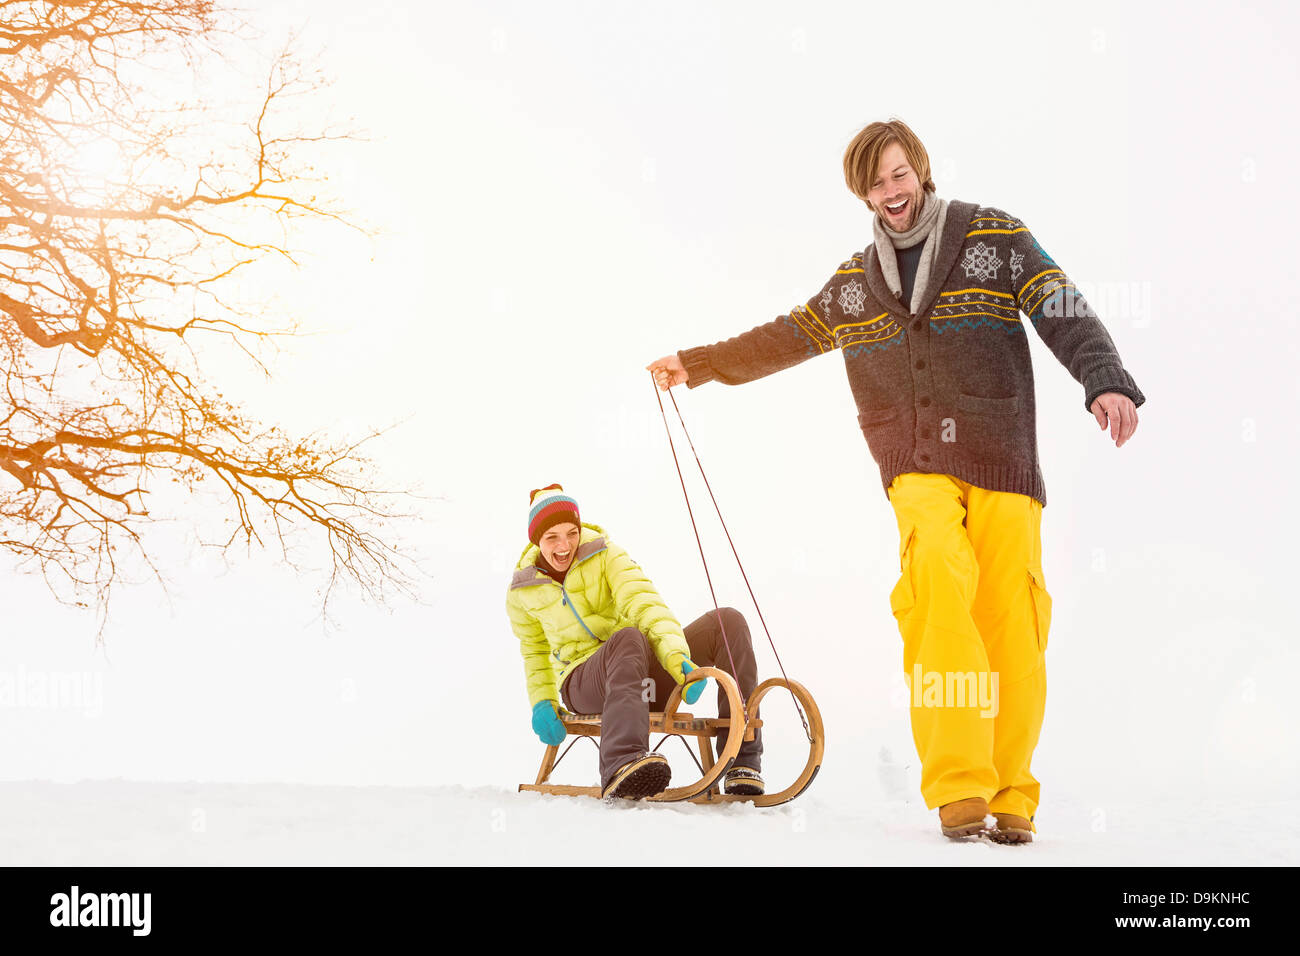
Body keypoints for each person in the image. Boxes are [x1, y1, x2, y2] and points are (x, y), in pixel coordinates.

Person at [647, 118, 1145, 843]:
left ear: (921, 171)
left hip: (1003, 459)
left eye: (898, 175)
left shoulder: (994, 237)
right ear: (864, 194)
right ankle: (959, 786)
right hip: (916, 467)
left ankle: (1012, 793)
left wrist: (1105, 379)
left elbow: (1060, 305)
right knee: (938, 587)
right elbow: (788, 335)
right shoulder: (856, 286)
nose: (890, 192)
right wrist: (700, 362)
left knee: (1010, 622)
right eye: (875, 183)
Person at [506, 484, 764, 800]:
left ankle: (742, 760)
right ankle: (622, 761)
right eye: (552, 538)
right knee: (627, 638)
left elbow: (643, 601)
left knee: (728, 622)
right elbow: (534, 651)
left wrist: (674, 656)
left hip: (640, 676)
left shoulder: (604, 554)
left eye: (571, 533)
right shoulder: (522, 591)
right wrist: (542, 703)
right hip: (584, 684)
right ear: (536, 541)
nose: (565, 545)